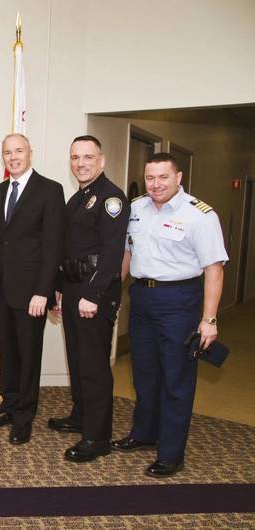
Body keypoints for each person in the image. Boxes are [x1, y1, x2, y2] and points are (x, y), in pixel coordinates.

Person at [113, 152, 227, 478]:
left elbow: (214, 269)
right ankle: (144, 433)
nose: (156, 184)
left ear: (178, 178)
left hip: (179, 301)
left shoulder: (200, 215)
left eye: (163, 177)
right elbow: (127, 253)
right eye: (150, 178)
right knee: (144, 373)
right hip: (142, 298)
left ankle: (171, 453)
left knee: (176, 379)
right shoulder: (136, 208)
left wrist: (209, 319)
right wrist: (112, 293)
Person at [0, 133, 65, 445]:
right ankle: (9, 406)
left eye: (18, 151)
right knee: (8, 351)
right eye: (7, 152)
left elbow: (54, 245)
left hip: (32, 292)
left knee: (29, 354)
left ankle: (24, 417)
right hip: (2, 287)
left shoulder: (50, 190)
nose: (13, 157)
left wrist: (44, 290)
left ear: (30, 152)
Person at [48, 135, 129, 462]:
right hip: (73, 287)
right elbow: (66, 248)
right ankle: (81, 416)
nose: (80, 163)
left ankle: (97, 437)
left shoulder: (112, 198)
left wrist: (94, 294)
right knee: (78, 358)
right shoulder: (78, 199)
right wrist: (58, 287)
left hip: (95, 289)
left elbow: (112, 251)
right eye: (75, 157)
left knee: (94, 365)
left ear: (101, 160)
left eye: (87, 157)